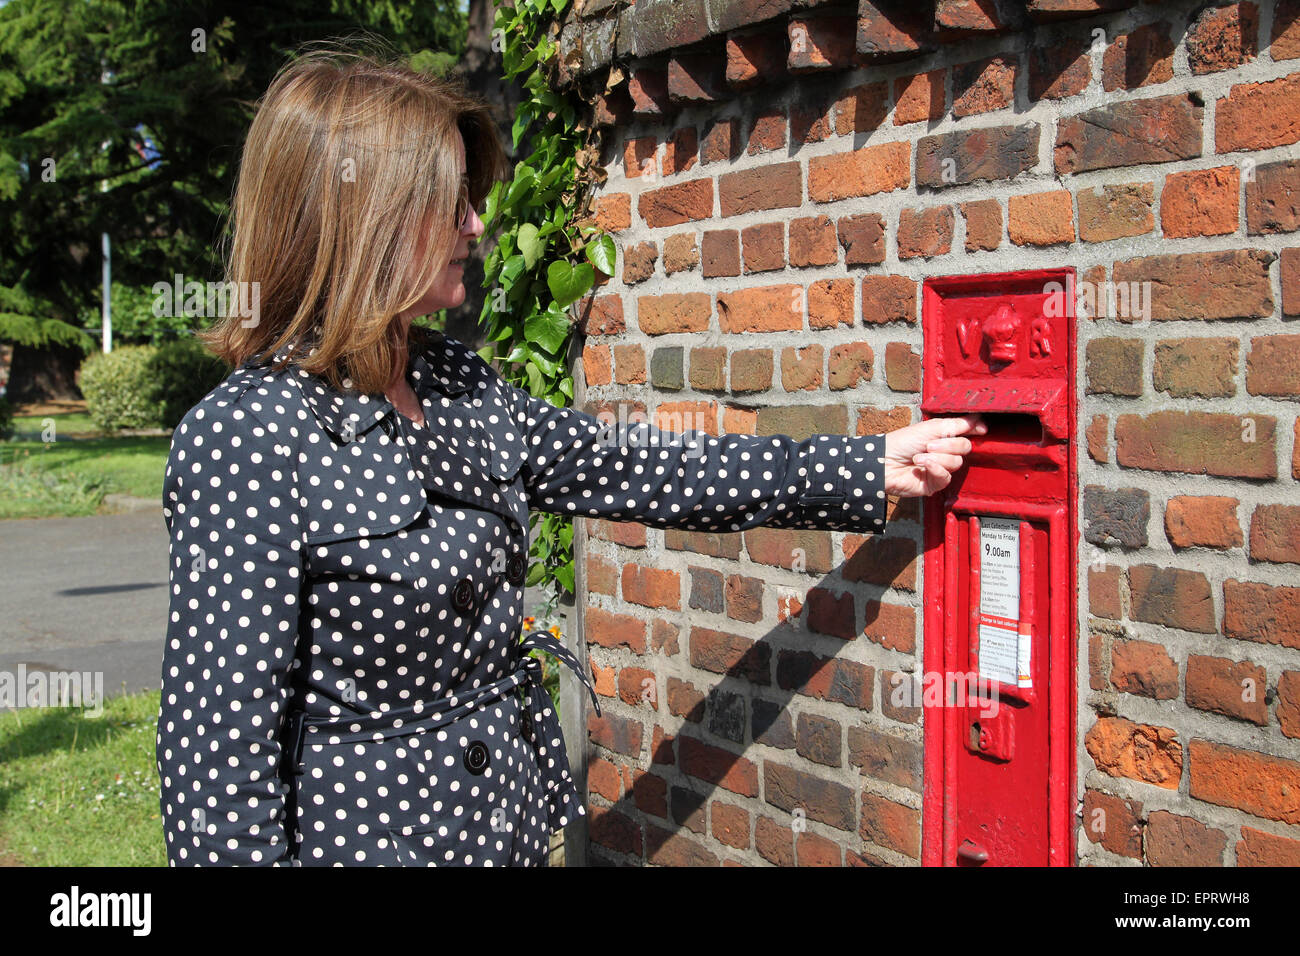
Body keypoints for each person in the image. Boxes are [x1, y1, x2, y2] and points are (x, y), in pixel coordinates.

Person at [155, 40, 985, 867]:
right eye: (448, 203)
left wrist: (857, 467)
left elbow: (641, 467)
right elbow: (216, 776)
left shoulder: (452, 381)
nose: (475, 225)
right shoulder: (250, 438)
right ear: (359, 216)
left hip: (503, 836)